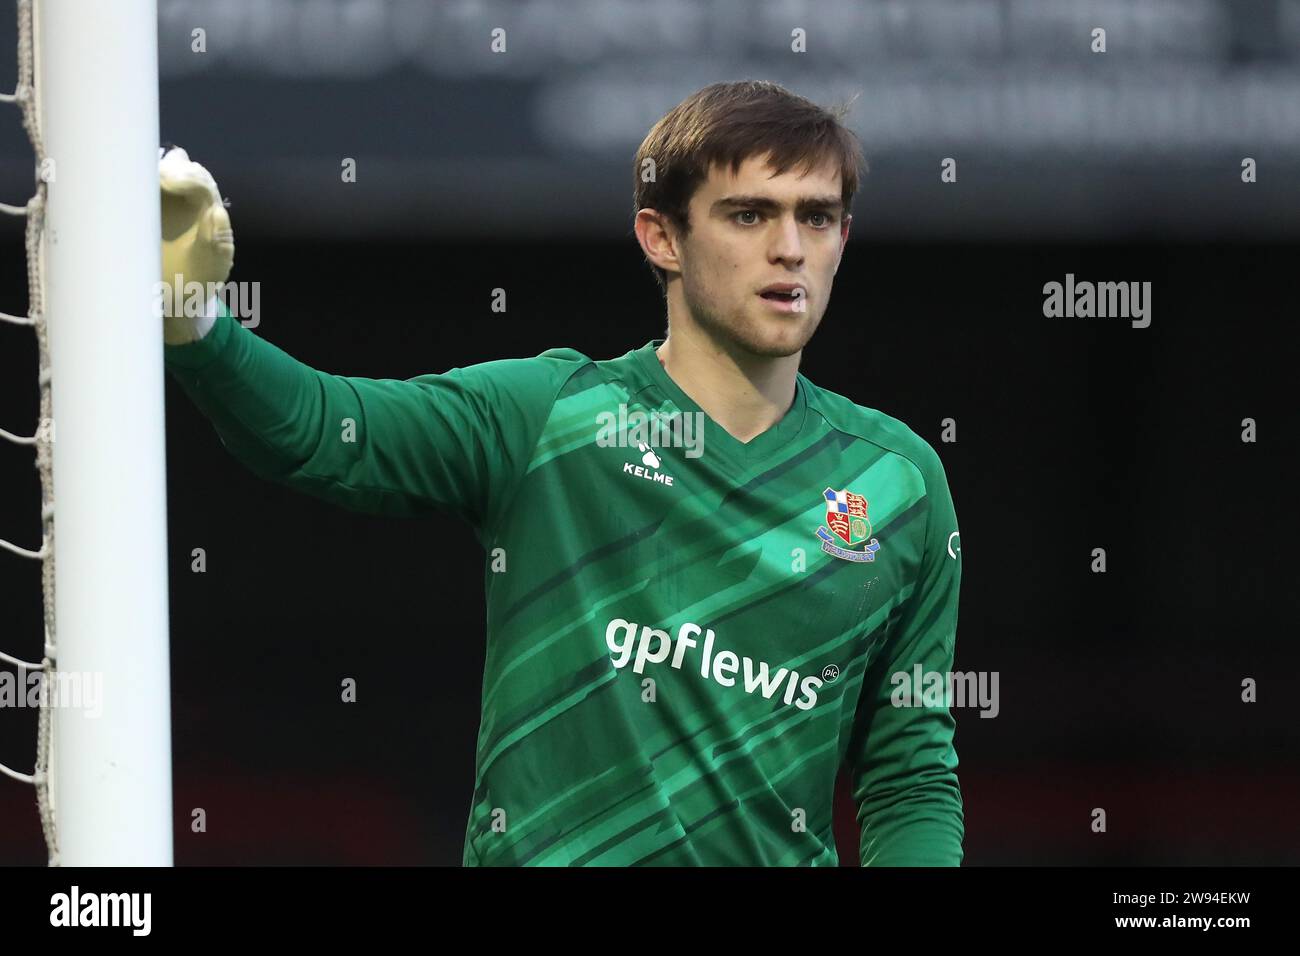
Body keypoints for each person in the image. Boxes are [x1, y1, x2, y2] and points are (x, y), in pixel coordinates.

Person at [161, 79, 964, 866]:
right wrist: (196, 321)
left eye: (815, 217)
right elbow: (322, 430)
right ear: (662, 237)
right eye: (748, 213)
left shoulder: (897, 483)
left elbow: (909, 775)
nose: (789, 246)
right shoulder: (552, 415)